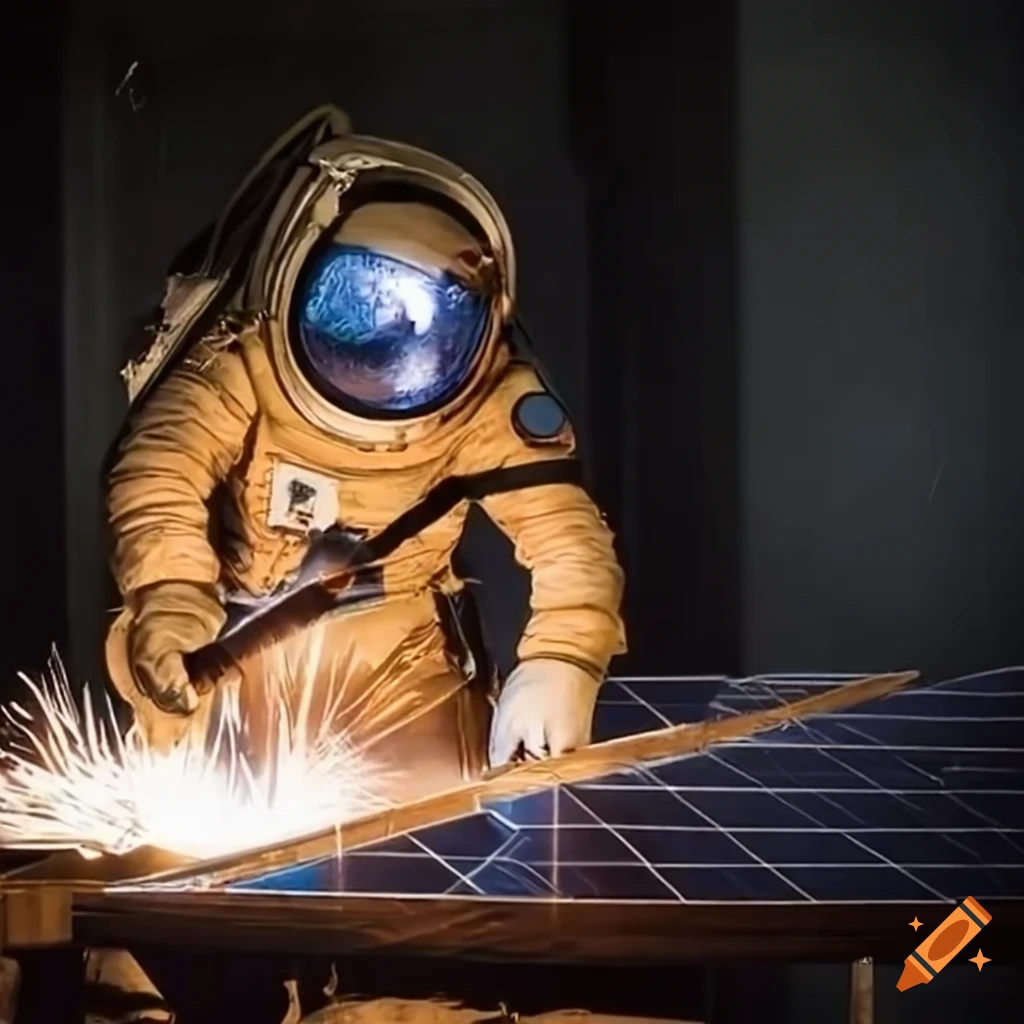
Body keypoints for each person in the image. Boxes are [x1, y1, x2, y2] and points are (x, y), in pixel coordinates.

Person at [103, 105, 626, 802]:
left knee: (415, 857)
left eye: (415, 322)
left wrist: (563, 658)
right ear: (299, 280)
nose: (384, 349)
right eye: (357, 309)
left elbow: (568, 538)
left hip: (400, 654)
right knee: (217, 862)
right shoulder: (242, 364)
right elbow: (160, 473)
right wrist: (169, 597)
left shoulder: (488, 400)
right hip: (237, 639)